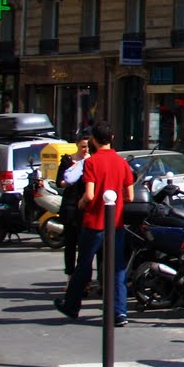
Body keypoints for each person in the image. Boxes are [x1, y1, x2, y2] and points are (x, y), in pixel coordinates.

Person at [55, 120, 134, 326]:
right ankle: (120, 312)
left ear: (93, 140)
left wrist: (81, 203)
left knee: (83, 266)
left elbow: (89, 194)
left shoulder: (91, 163)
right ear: (112, 138)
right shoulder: (121, 162)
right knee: (117, 269)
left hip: (94, 222)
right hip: (115, 223)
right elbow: (130, 196)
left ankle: (71, 306)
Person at [57, 129, 91, 277]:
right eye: (83, 146)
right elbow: (60, 183)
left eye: (88, 146)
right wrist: (71, 175)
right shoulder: (67, 160)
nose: (86, 149)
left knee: (86, 245)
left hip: (86, 207)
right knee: (70, 243)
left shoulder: (92, 161)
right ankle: (70, 276)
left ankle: (86, 278)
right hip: (70, 206)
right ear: (77, 145)